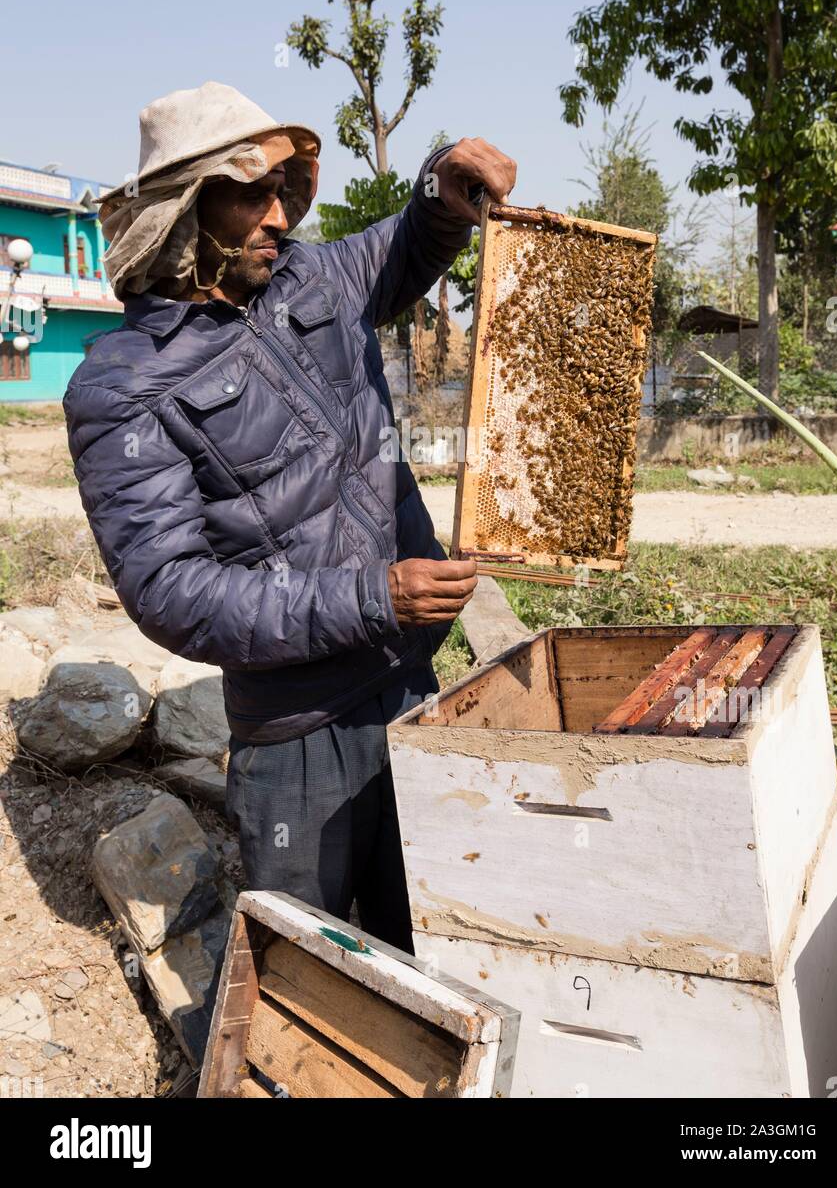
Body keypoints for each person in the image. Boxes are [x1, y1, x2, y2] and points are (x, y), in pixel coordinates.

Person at [64, 81, 516, 952]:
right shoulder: (120, 387)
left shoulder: (308, 276)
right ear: (188, 209)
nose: (280, 216)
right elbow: (172, 590)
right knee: (310, 977)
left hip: (415, 687)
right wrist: (372, 597)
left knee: (439, 942)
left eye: (285, 191)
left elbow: (403, 243)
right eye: (253, 194)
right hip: (299, 737)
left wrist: (443, 181)